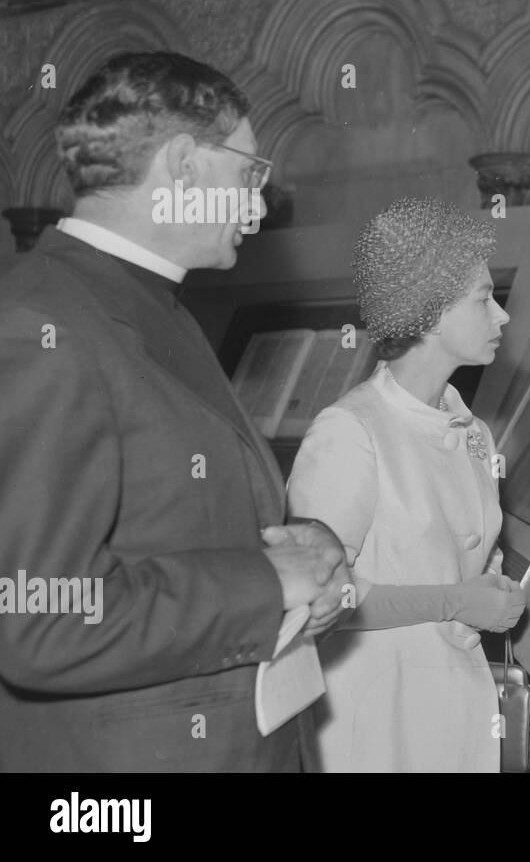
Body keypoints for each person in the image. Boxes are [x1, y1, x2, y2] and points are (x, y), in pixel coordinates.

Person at [0, 52, 350, 772]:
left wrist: (306, 547)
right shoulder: (46, 324)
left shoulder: (141, 303)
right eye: (250, 172)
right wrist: (266, 584)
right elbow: (41, 618)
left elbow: (175, 517)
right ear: (185, 163)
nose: (259, 203)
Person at [287, 196, 525, 772]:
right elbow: (318, 598)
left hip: (453, 700)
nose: (502, 316)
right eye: (483, 299)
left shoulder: (473, 431)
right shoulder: (349, 432)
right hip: (377, 717)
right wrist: (455, 601)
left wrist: (487, 587)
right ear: (430, 312)